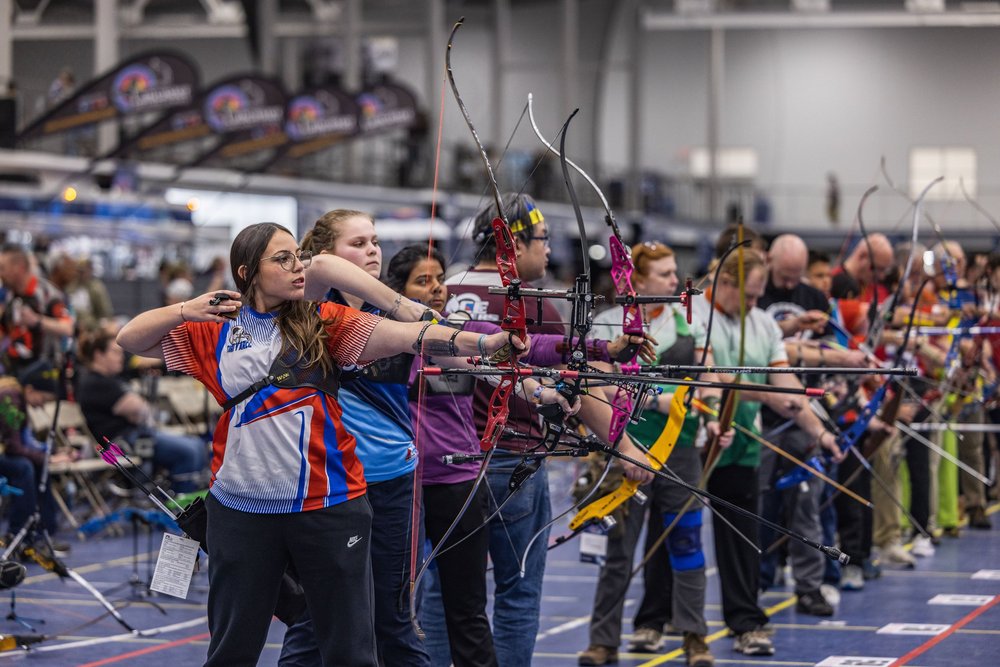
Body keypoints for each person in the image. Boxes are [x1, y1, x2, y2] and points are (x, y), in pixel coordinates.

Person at [116, 222, 517, 666]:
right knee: (232, 649)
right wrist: (186, 309)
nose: (297, 267)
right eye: (282, 259)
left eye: (298, 257)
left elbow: (411, 336)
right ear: (248, 272)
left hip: (328, 505)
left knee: (350, 650)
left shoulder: (323, 322)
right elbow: (129, 338)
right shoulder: (213, 331)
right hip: (240, 510)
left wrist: (485, 342)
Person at [386, 243, 622, 667]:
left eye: (440, 280)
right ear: (396, 292)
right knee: (407, 597)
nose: (438, 289)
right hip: (405, 482)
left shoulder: (461, 330)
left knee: (465, 603)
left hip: (459, 481)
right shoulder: (389, 335)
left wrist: (598, 356)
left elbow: (518, 357)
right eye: (424, 281)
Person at [445, 193, 652, 667]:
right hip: (512, 461)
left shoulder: (442, 291)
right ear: (512, 243)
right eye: (541, 240)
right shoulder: (532, 301)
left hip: (444, 471)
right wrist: (627, 448)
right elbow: (579, 391)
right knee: (516, 592)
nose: (548, 251)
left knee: (444, 595)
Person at [581, 241, 730, 667]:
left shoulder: (692, 321)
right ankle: (603, 640)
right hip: (625, 446)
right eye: (664, 274)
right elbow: (599, 384)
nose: (673, 280)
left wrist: (715, 411)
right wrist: (656, 399)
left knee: (685, 544)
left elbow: (711, 377)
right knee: (618, 549)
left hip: (681, 450)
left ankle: (695, 639)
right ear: (637, 281)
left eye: (673, 272)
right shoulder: (610, 324)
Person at [691, 248, 843, 656]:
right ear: (725, 284)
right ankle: (661, 621)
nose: (756, 304)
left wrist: (820, 429)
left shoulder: (759, 323)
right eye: (751, 295)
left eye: (759, 296)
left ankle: (746, 622)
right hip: (689, 441)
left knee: (741, 533)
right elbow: (715, 378)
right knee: (677, 532)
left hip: (740, 444)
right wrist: (771, 396)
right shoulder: (694, 315)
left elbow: (786, 381)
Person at [76, 329, 208, 494]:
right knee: (189, 452)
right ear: (98, 355)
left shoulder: (110, 380)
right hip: (123, 444)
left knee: (198, 445)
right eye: (115, 352)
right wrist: (139, 411)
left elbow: (140, 411)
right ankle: (183, 504)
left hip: (136, 435)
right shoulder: (95, 383)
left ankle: (189, 497)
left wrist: (138, 412)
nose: (121, 357)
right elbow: (141, 410)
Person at [0, 360, 72, 548]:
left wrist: (52, 452)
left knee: (38, 465)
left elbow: (25, 441)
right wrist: (47, 457)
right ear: (30, 390)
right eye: (44, 399)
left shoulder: (16, 396)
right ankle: (19, 534)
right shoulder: (9, 397)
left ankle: (43, 533)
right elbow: (14, 448)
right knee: (24, 467)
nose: (41, 407)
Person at [0, 244, 75, 374]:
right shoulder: (10, 295)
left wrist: (37, 321)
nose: (1, 274)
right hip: (13, 371)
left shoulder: (47, 294)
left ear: (19, 268)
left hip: (43, 375)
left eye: (2, 268)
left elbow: (67, 328)